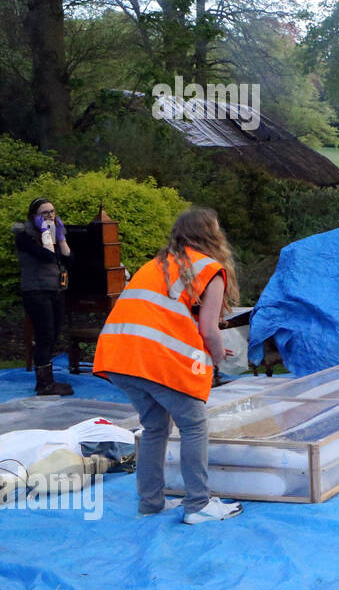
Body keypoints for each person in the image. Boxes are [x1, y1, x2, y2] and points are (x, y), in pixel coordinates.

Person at [92, 207, 243, 523]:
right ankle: (199, 505)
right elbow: (209, 329)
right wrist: (218, 357)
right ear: (211, 235)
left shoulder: (156, 265)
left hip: (118, 355)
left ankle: (151, 503)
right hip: (151, 358)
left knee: (155, 427)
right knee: (194, 424)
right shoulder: (209, 269)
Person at [13, 198, 74, 396]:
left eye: (52, 211)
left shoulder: (56, 232)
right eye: (44, 212)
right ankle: (45, 384)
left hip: (55, 289)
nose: (50, 215)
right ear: (34, 215)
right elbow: (47, 256)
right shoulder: (25, 235)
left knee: (55, 334)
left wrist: (62, 238)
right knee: (45, 335)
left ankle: (47, 380)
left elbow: (67, 257)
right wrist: (48, 233)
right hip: (36, 290)